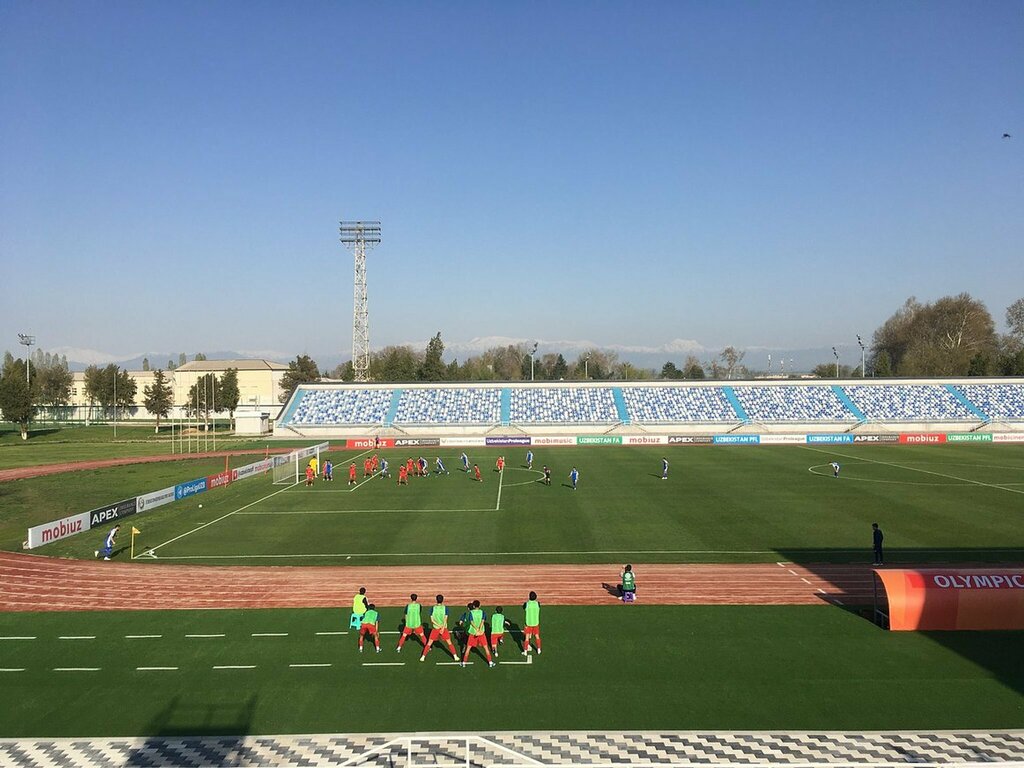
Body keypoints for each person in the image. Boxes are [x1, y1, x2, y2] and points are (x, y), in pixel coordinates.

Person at [420, 594, 459, 661]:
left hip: (435, 629)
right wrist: (442, 628)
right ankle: (455, 656)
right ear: (442, 600)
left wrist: (438, 626)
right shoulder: (445, 608)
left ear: (436, 600)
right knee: (449, 643)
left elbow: (432, 620)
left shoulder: (433, 608)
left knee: (429, 643)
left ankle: (423, 657)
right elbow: (445, 619)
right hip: (444, 629)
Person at [462, 600, 496, 668]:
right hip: (481, 633)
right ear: (479, 605)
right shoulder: (482, 612)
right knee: (486, 648)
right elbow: (482, 621)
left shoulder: (471, 613)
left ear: (473, 606)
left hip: (473, 632)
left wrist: (476, 630)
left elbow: (471, 622)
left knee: (468, 648)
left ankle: (464, 663)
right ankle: (490, 662)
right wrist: (479, 629)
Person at [522, 591, 542, 655]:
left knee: (527, 637)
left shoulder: (526, 604)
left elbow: (523, 607)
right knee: (537, 636)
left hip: (528, 623)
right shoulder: (538, 603)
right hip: (536, 623)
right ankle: (539, 649)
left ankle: (525, 651)